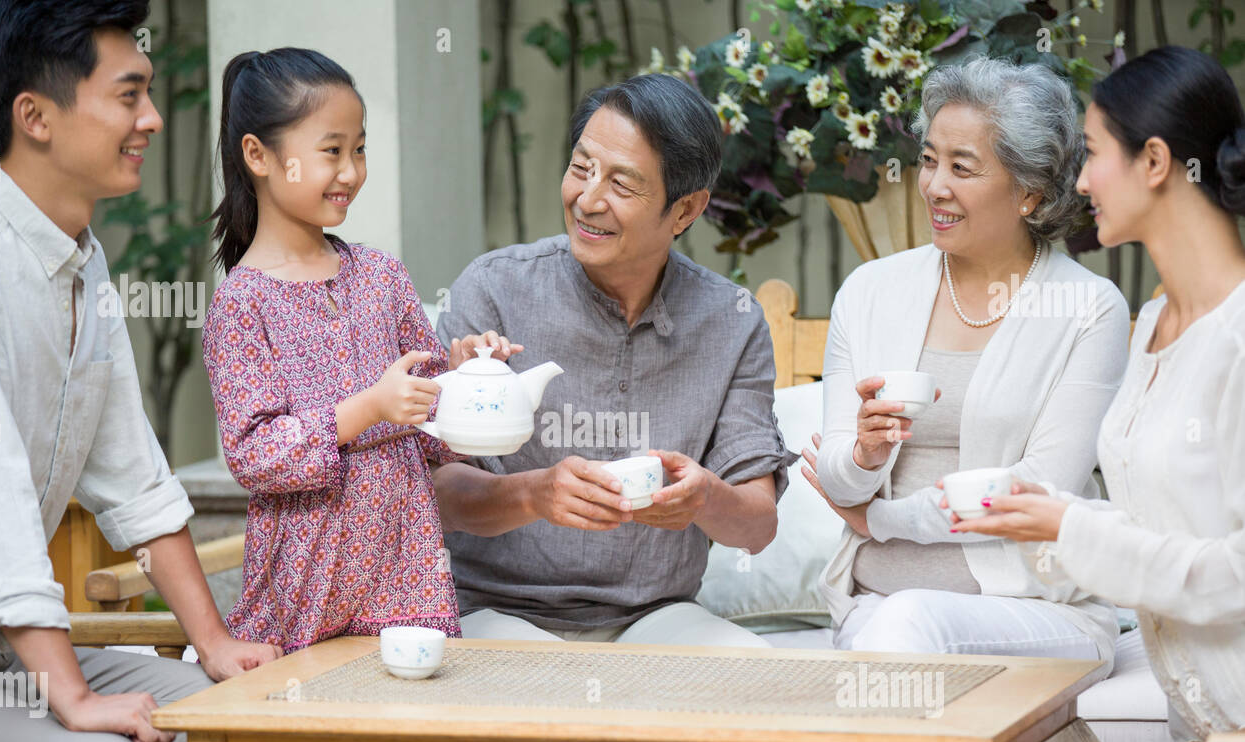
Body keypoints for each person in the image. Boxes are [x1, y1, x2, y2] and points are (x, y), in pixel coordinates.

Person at [0, 0, 279, 742]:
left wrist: (213, 644)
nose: (152, 120)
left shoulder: (83, 263)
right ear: (37, 117)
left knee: (259, 726)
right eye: (129, 95)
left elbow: (136, 477)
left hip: (9, 655)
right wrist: (73, 695)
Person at [948, 46, 1245, 742]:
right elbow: (1155, 516)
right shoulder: (1153, 325)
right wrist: (1047, 522)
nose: (1079, 183)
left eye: (1095, 155)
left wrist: (1071, 531)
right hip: (1211, 718)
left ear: (1155, 162)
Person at [432, 74, 790, 646]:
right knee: (553, 712)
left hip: (657, 616)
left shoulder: (731, 319)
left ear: (685, 209)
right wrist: (534, 495)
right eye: (581, 168)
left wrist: (703, 498)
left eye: (622, 183)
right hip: (498, 613)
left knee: (761, 686)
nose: (589, 199)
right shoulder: (494, 290)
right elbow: (437, 491)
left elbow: (757, 525)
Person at [799, 56, 1129, 666]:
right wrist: (866, 455)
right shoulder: (871, 292)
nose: (933, 186)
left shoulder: (1088, 310)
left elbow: (1030, 494)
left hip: (1036, 611)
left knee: (907, 622)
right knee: (895, 625)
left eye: (962, 167)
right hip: (876, 604)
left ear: (1029, 190)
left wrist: (883, 521)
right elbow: (838, 480)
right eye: (928, 160)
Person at [205, 48, 507, 652]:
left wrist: (471, 374)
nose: (351, 171)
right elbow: (254, 456)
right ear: (258, 156)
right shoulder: (240, 305)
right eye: (332, 150)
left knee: (410, 726)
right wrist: (369, 407)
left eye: (359, 149)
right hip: (302, 592)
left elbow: (436, 427)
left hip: (406, 575)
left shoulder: (382, 276)